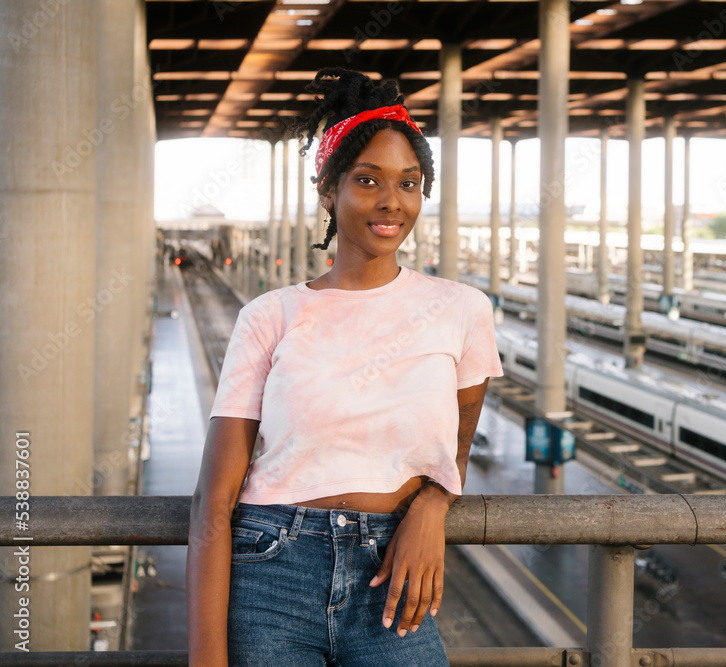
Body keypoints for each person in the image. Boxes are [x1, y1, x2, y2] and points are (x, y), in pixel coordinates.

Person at [185, 68, 504, 666]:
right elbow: (214, 503)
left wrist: (433, 508)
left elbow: (455, 451)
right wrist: (207, 659)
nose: (391, 201)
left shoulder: (461, 309)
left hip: (393, 576)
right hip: (270, 569)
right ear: (329, 192)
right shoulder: (269, 316)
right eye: (367, 180)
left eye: (409, 184)